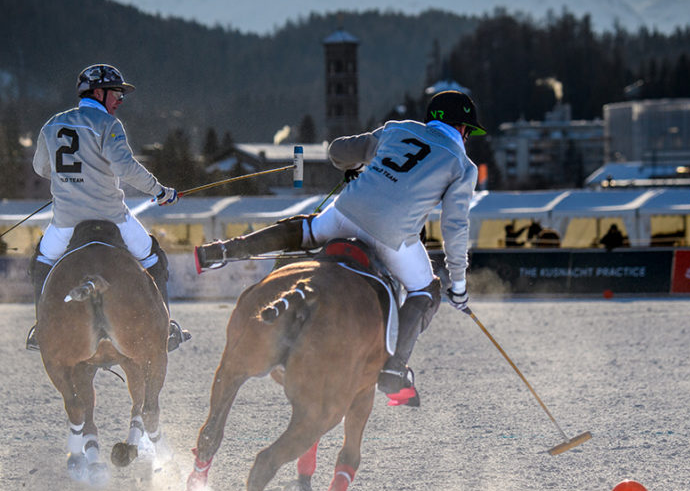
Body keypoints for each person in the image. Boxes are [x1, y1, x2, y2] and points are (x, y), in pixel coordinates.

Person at [194, 90, 485, 406]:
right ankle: (393, 370)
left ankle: (223, 252)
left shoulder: (397, 128)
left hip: (345, 214)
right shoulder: (463, 166)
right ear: (462, 128)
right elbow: (455, 228)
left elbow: (337, 151)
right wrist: (458, 285)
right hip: (392, 237)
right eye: (468, 132)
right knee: (425, 290)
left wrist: (355, 163)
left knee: (306, 229)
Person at [26, 64, 190, 352]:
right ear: (98, 93)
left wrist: (71, 180)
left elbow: (41, 168)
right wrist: (159, 191)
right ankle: (164, 328)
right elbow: (125, 168)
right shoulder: (108, 125)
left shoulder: (51, 125)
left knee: (41, 261)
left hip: (66, 222)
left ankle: (42, 329)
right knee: (153, 258)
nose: (120, 101)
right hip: (112, 217)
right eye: (117, 94)